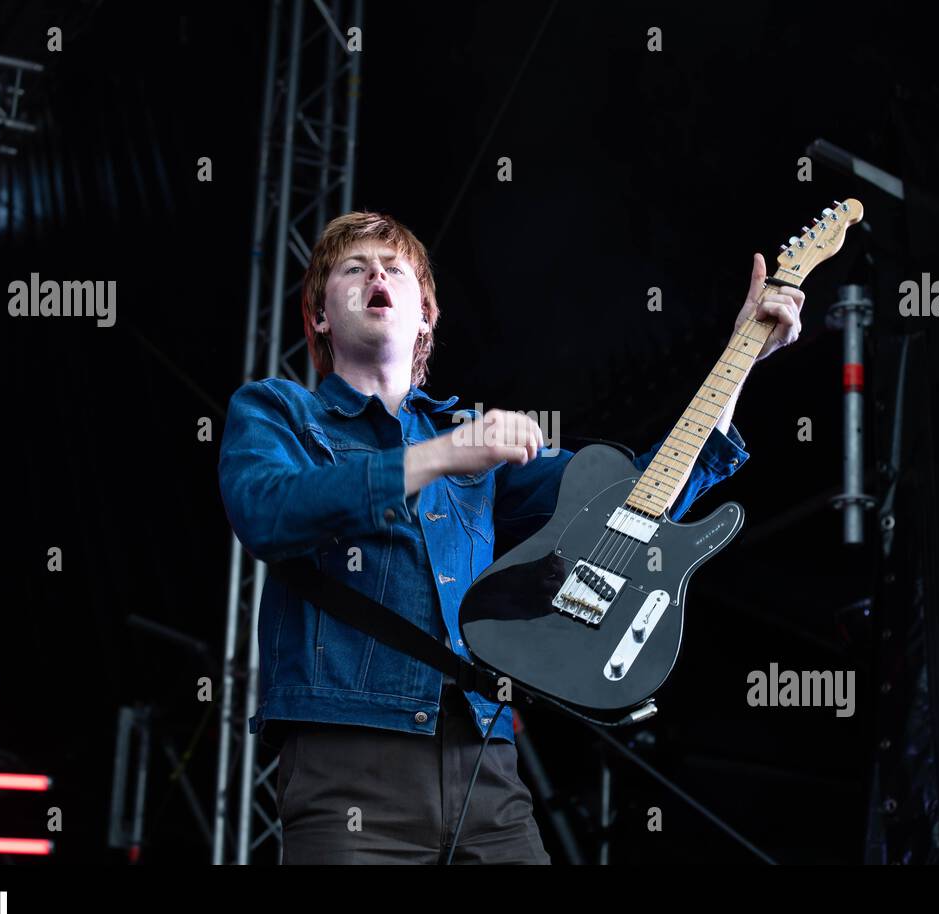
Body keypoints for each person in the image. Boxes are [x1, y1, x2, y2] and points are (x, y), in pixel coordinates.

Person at [217, 210, 803, 864]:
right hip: (347, 763)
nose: (376, 274)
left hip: (486, 765)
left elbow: (639, 499)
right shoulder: (278, 411)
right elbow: (265, 512)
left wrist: (741, 353)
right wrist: (442, 455)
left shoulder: (473, 440)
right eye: (354, 268)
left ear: (425, 318)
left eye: (395, 268)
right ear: (320, 317)